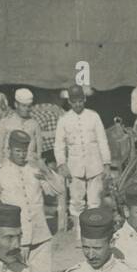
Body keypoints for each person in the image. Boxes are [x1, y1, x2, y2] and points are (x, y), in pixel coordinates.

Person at [0, 129, 54, 272]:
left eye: (24, 151)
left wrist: (47, 171)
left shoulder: (35, 170)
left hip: (41, 234)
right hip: (16, 237)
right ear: (9, 149)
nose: (21, 155)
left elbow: (55, 191)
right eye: (17, 151)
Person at [54, 85, 111, 223]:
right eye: (74, 102)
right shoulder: (64, 120)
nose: (77, 104)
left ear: (84, 99)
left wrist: (107, 163)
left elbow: (102, 140)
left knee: (95, 202)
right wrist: (62, 164)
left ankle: (93, 232)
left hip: (95, 165)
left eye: (80, 101)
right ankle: (79, 235)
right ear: (69, 102)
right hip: (75, 167)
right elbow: (59, 144)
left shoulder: (93, 116)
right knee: (76, 202)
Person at [0, 88, 43, 168]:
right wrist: (3, 165)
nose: (26, 109)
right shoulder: (5, 123)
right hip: (9, 167)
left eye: (29, 106)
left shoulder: (34, 125)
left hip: (29, 167)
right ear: (16, 105)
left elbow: (39, 151)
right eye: (23, 106)